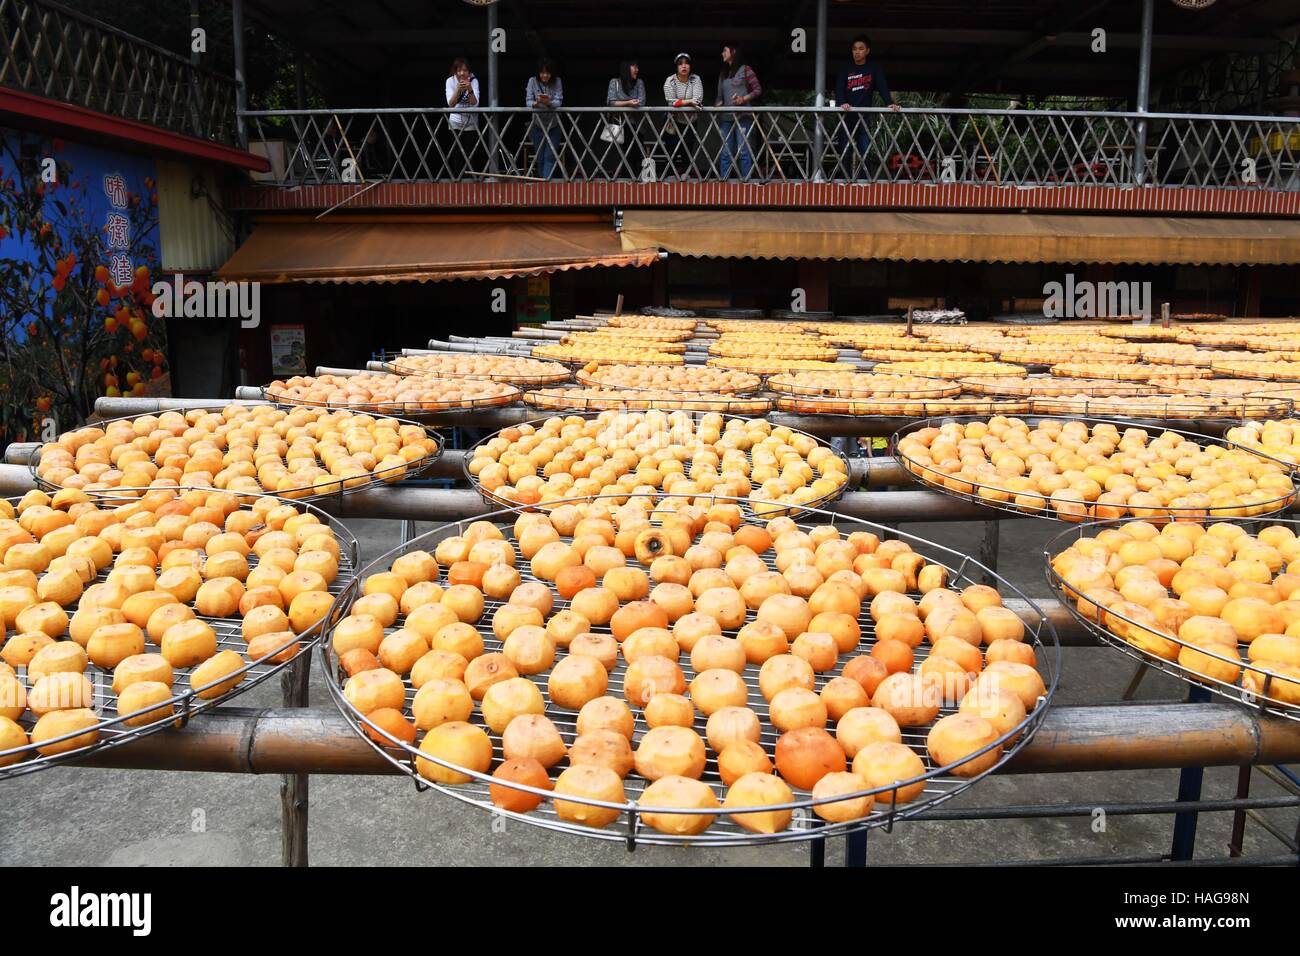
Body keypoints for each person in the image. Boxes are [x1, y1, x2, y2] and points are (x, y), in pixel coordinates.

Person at [833, 35, 901, 180]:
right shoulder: (846, 68)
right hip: (846, 115)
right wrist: (842, 103)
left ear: (867, 51)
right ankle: (845, 179)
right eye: (854, 49)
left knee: (864, 149)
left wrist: (889, 102)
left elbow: (882, 86)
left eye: (861, 49)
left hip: (864, 116)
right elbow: (839, 88)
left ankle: (865, 180)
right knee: (845, 150)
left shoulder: (873, 68)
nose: (857, 52)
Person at [715, 44, 762, 180]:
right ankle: (724, 181)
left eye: (724, 50)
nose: (722, 53)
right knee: (725, 151)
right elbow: (719, 97)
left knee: (743, 150)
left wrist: (743, 99)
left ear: (733, 52)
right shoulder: (723, 74)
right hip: (726, 118)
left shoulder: (746, 70)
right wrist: (718, 105)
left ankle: (746, 181)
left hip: (743, 116)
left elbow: (757, 90)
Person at [662, 53, 704, 180]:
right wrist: (689, 102)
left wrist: (684, 102)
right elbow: (670, 101)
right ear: (676, 67)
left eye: (686, 63)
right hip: (672, 121)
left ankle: (686, 174)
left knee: (687, 149)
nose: (684, 66)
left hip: (690, 121)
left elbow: (698, 99)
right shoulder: (670, 80)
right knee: (671, 149)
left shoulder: (695, 79)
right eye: (680, 64)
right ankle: (670, 174)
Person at [604, 61, 646, 179]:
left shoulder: (639, 83)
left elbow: (641, 102)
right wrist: (629, 103)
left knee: (636, 156)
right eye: (634, 66)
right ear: (626, 68)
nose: (637, 69)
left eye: (637, 66)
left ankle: (636, 184)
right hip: (618, 124)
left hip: (636, 125)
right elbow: (611, 103)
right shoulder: (614, 82)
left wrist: (621, 103)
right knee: (618, 155)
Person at [526, 58, 564, 179]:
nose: (545, 75)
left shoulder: (557, 81)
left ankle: (545, 183)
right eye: (542, 73)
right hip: (537, 125)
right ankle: (543, 185)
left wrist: (549, 103)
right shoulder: (532, 81)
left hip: (554, 125)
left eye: (547, 73)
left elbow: (558, 102)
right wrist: (535, 104)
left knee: (550, 156)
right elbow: (528, 101)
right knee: (540, 157)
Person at [443, 57, 481, 177]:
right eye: (459, 70)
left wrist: (469, 89)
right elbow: (451, 104)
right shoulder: (450, 81)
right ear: (455, 71)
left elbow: (475, 103)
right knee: (456, 154)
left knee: (471, 154)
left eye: (465, 70)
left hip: (471, 123)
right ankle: (458, 180)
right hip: (455, 122)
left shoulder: (474, 81)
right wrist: (458, 90)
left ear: (469, 72)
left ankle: (471, 179)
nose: (462, 73)